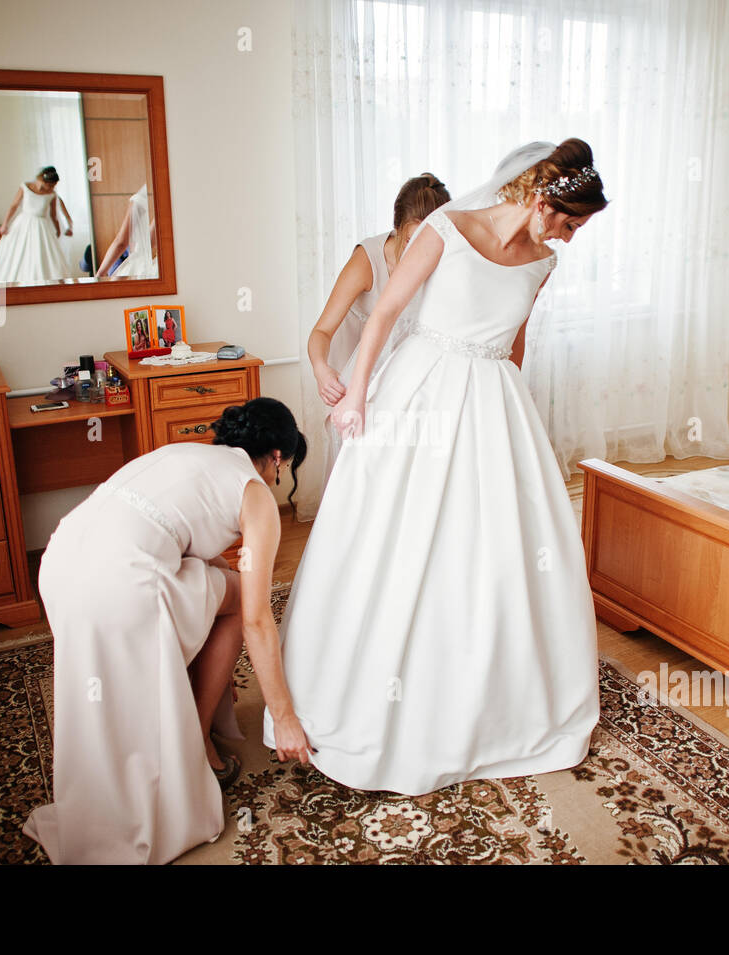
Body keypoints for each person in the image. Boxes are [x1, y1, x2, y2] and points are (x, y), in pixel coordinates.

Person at [264, 139, 608, 795]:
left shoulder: (542, 262)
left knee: (493, 548)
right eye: (567, 222)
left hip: (492, 398)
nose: (569, 236)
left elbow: (516, 343)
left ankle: (497, 704)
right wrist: (359, 394)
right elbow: (387, 310)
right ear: (540, 199)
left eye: (577, 228)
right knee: (396, 535)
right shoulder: (448, 229)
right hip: (418, 388)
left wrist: (513, 425)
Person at [25, 397, 314, 864]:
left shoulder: (185, 454)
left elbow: (194, 549)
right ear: (277, 457)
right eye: (283, 467)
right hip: (120, 582)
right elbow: (259, 616)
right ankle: (193, 743)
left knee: (219, 589)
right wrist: (284, 717)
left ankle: (181, 727)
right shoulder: (255, 494)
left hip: (59, 568)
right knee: (241, 601)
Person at [307, 173, 450, 487]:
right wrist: (321, 369)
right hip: (361, 380)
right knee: (363, 475)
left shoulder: (446, 255)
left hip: (415, 382)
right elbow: (321, 331)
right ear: (397, 228)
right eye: (413, 240)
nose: (423, 249)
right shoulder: (367, 259)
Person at [0, 166, 76, 283]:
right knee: (19, 253)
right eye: (50, 185)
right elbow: (14, 206)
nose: (52, 188)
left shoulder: (52, 194)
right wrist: (5, 224)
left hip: (41, 228)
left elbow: (53, 215)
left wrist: (57, 230)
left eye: (53, 186)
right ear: (44, 181)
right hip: (23, 224)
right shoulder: (25, 187)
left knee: (41, 255)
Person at [95, 184, 157, 279]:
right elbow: (151, 239)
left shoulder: (145, 193)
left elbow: (121, 242)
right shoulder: (169, 190)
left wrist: (99, 274)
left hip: (137, 261)